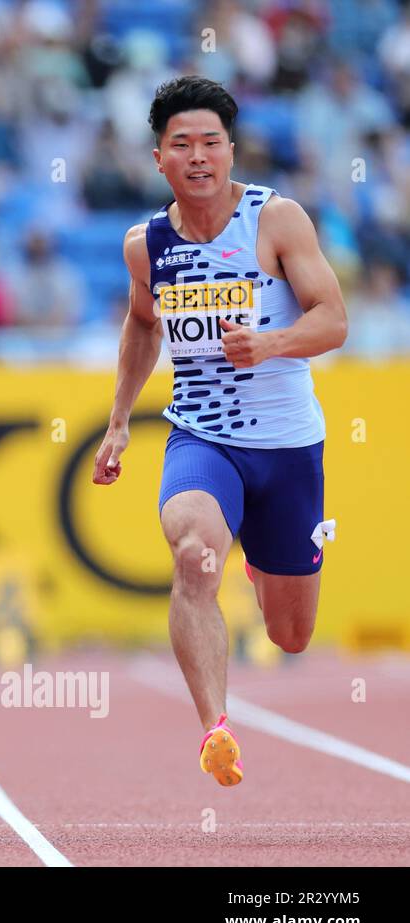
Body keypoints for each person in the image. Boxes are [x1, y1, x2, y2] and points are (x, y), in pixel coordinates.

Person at [93, 76, 346, 787]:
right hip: (200, 436)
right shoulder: (147, 243)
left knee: (290, 636)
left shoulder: (277, 220)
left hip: (289, 444)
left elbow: (334, 318)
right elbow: (143, 323)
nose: (198, 156)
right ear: (158, 159)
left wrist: (268, 344)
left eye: (211, 142)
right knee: (194, 551)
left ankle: (263, 560)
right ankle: (216, 727)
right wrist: (117, 423)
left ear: (231, 150)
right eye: (182, 145)